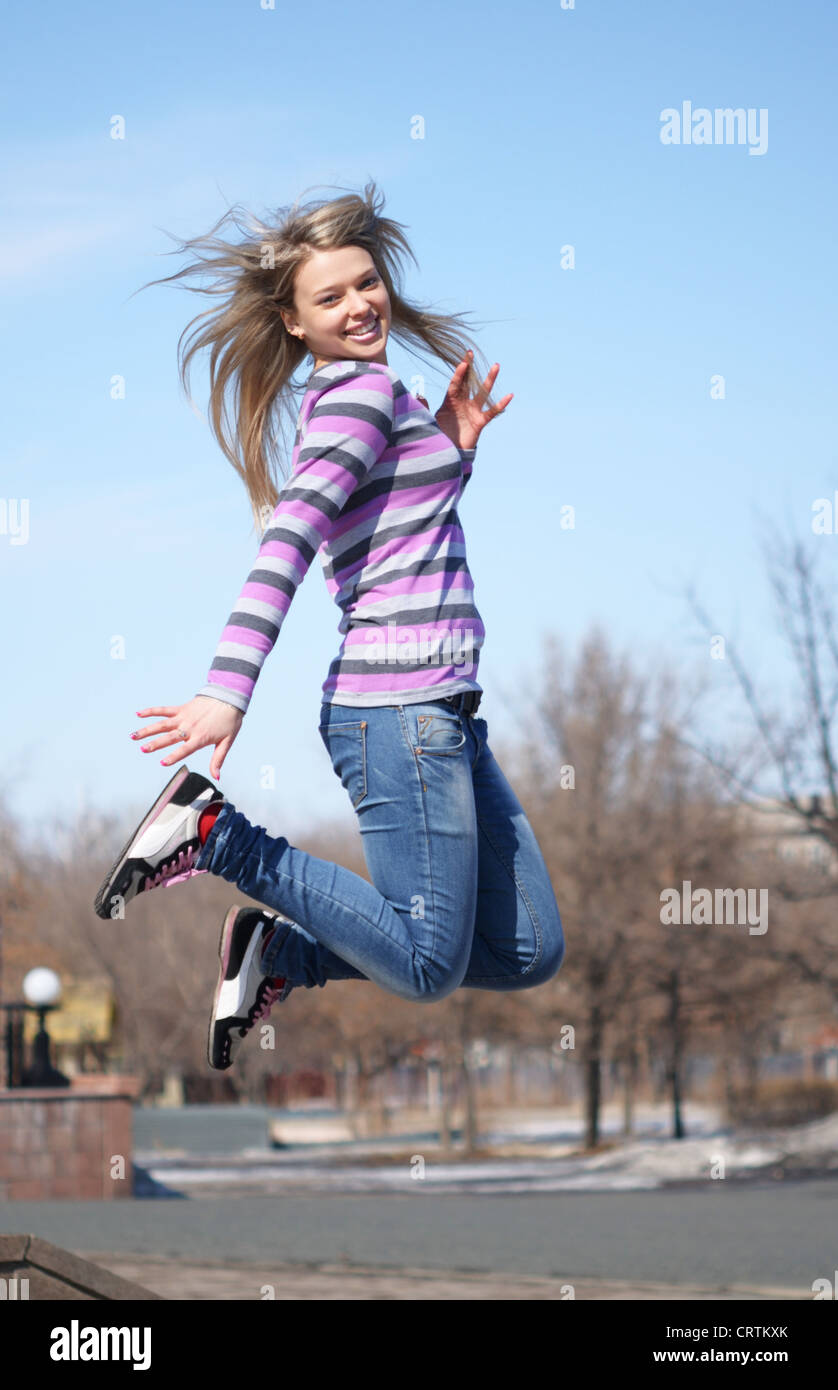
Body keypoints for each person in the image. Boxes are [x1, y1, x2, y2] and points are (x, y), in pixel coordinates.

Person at [94, 182, 565, 1070]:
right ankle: (213, 835)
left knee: (528, 949)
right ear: (294, 320)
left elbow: (392, 538)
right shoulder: (356, 398)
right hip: (397, 714)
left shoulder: (380, 397)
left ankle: (282, 954)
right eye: (331, 296)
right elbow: (291, 542)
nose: (360, 305)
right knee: (428, 966)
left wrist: (451, 449)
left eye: (367, 283)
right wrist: (226, 690)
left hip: (447, 715)